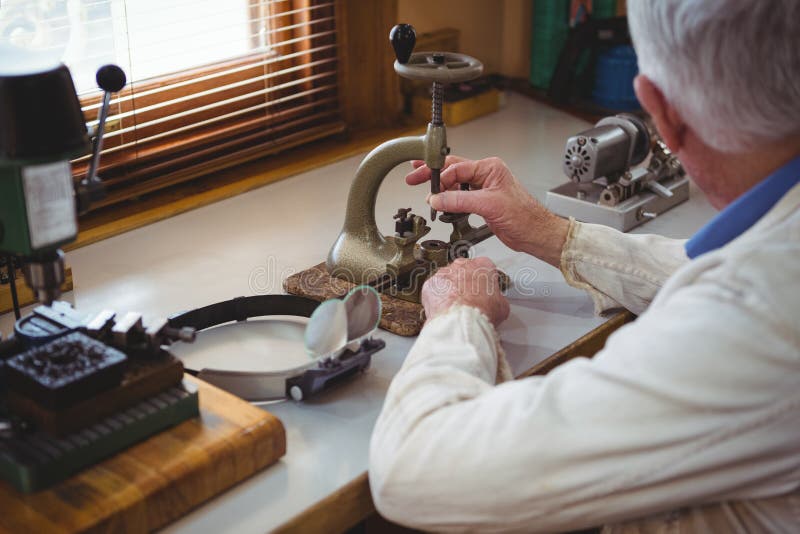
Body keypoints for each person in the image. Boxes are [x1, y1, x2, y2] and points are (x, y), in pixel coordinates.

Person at [368, 1, 800, 531]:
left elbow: (414, 469)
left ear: (659, 111)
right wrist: (555, 235)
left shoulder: (759, 320)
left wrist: (458, 317)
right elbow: (708, 264)